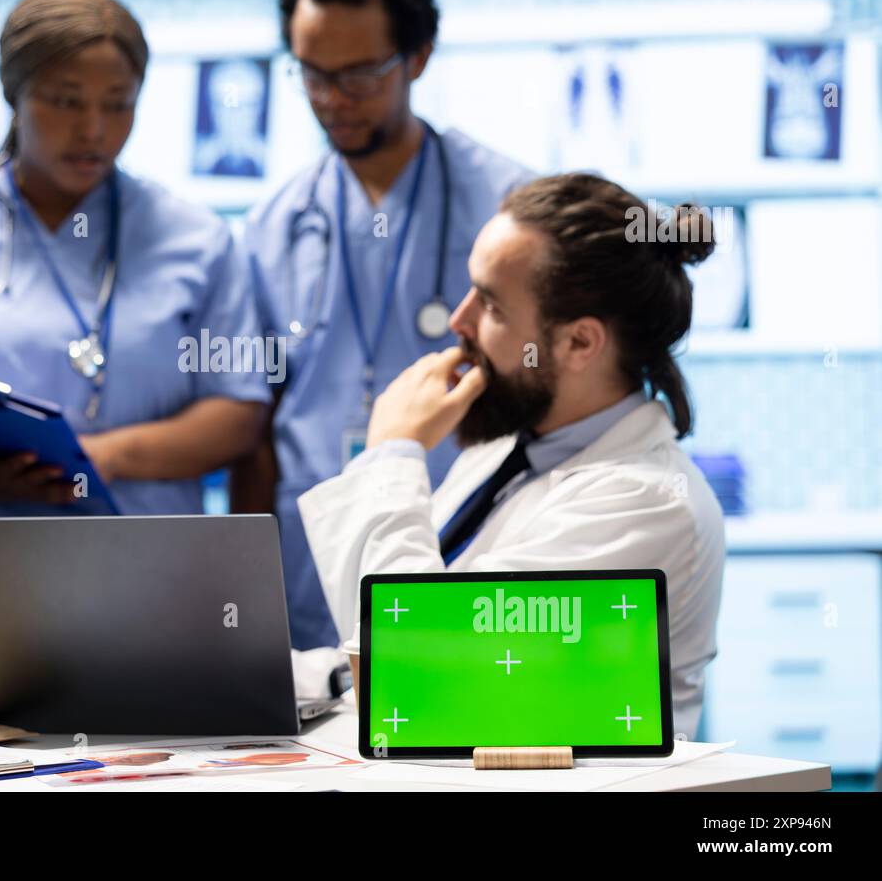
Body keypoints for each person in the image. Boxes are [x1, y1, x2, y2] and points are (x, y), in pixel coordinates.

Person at [0, 0, 269, 679]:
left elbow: (237, 414)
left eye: (117, 104)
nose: (93, 128)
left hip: (156, 596)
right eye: (65, 100)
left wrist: (97, 458)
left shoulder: (196, 241)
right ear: (13, 94)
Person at [298, 173, 726, 738]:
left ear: (580, 342)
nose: (459, 321)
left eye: (492, 306)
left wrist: (391, 454)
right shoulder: (509, 453)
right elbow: (362, 666)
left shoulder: (648, 505)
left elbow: (417, 678)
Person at [232, 0, 533, 653]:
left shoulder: (509, 207)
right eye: (312, 74)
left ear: (419, 57)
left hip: (471, 563)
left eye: (361, 75)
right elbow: (256, 433)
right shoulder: (274, 225)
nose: (333, 99)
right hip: (312, 584)